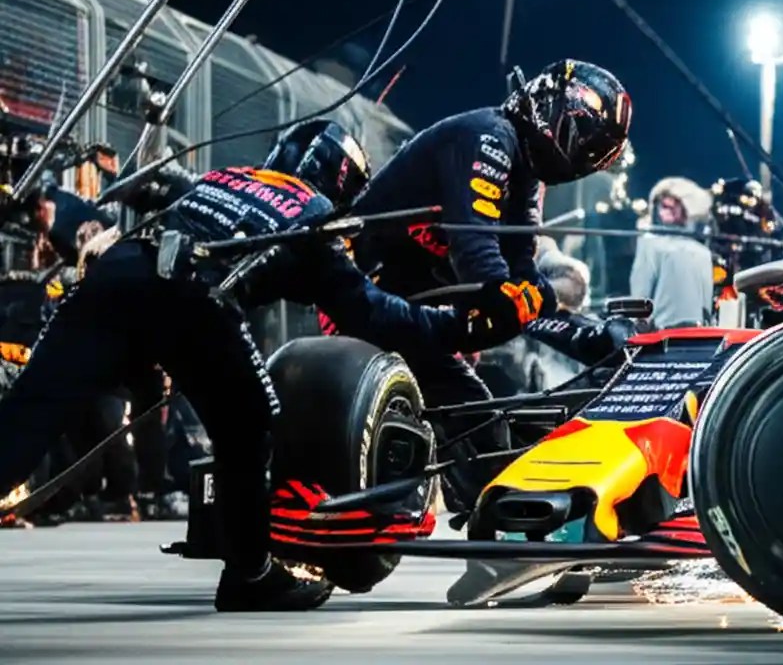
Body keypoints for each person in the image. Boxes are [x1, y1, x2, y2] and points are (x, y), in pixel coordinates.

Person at [0, 119, 543, 612]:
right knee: (251, 426)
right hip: (195, 299)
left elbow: (148, 198)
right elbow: (375, 316)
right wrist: (466, 326)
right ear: (343, 184)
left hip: (116, 276)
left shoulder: (224, 177)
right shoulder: (315, 225)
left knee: (27, 418)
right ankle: (250, 575)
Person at [342, 59, 631, 509]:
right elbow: (478, 253)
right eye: (585, 145)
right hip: (360, 296)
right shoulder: (489, 135)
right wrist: (521, 300)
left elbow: (521, 273)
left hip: (411, 306)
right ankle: (488, 513)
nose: (582, 161)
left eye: (596, 156)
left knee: (479, 416)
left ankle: (497, 518)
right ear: (554, 111)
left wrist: (584, 331)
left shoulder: (523, 166)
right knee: (471, 411)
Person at [629, 177, 714, 329]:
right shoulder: (703, 252)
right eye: (664, 206)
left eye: (672, 207)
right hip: (693, 333)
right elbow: (706, 308)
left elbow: (640, 295)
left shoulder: (650, 245)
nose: (666, 211)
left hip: (664, 333)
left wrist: (638, 325)